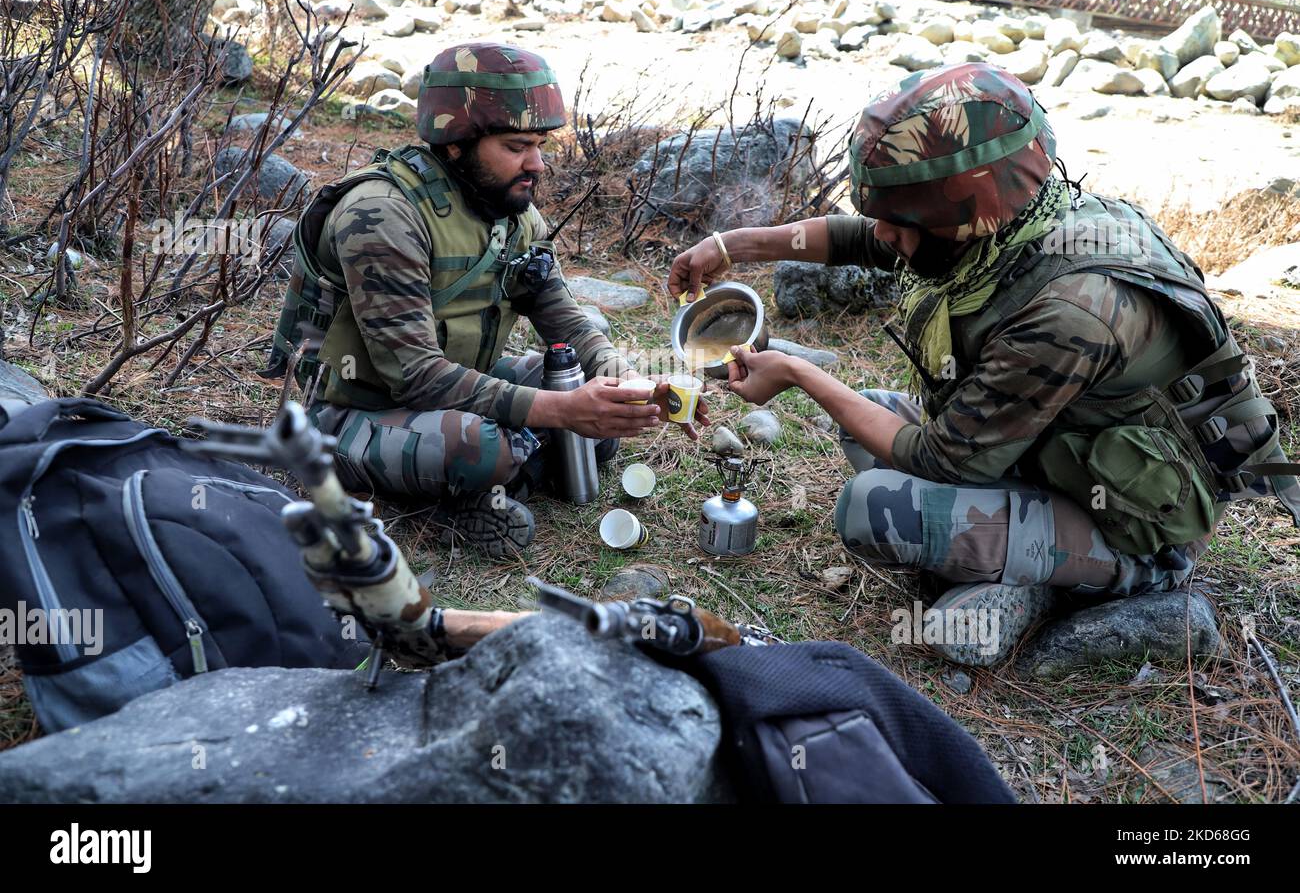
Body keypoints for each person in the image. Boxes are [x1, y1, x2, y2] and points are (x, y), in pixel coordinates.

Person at [666, 63, 1300, 666]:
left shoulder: (1070, 313)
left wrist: (803, 374)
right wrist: (729, 246)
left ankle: (1132, 572)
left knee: (871, 506)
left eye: (900, 222)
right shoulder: (1017, 220)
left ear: (962, 214)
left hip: (1142, 512)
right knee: (870, 419)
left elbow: (942, 461)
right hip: (1063, 452)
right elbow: (865, 237)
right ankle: (1028, 548)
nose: (883, 234)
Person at [267, 43, 706, 557]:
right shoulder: (383, 216)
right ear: (457, 142)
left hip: (449, 394)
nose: (537, 164)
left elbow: (564, 319)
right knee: (485, 447)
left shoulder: (508, 211)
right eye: (517, 146)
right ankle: (481, 486)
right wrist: (561, 413)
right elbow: (415, 374)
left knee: (592, 397)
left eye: (539, 145)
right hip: (352, 414)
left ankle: (510, 466)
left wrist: (622, 379)